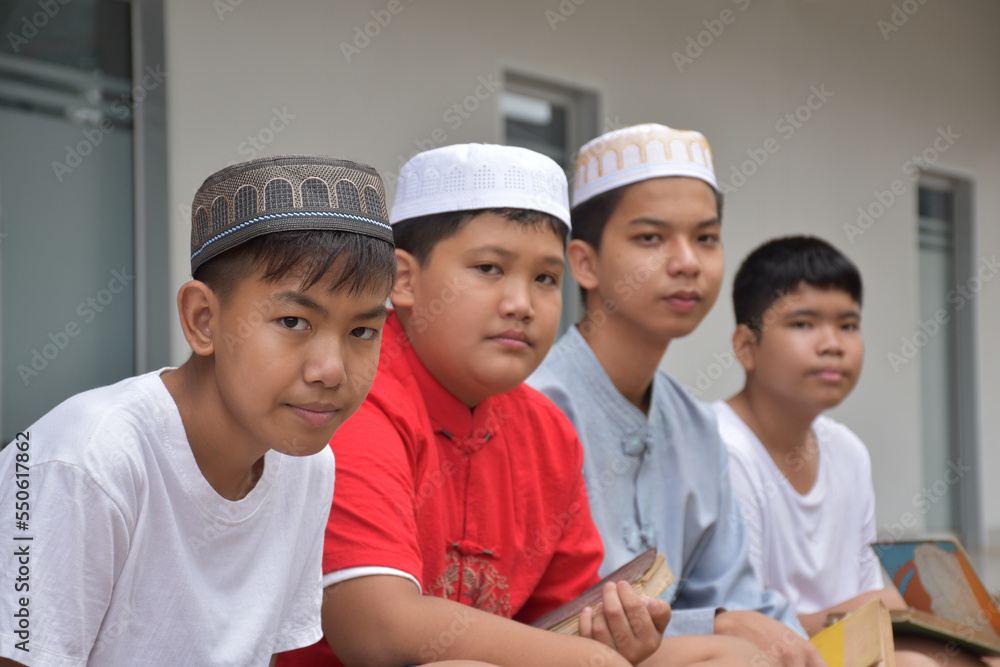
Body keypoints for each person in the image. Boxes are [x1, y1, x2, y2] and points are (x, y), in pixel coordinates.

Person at [279, 143, 760, 667]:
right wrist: (589, 661)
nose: (521, 304)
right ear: (405, 280)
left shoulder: (548, 430)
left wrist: (613, 636)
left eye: (546, 279)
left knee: (733, 656)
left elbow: (565, 618)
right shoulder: (357, 398)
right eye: (489, 268)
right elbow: (378, 629)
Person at [0, 156, 399, 666]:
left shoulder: (307, 464)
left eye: (362, 332)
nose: (331, 370)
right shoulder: (85, 461)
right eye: (294, 321)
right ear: (203, 319)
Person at [528, 124, 824, 667]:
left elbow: (734, 594)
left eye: (705, 238)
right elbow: (547, 612)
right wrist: (717, 625)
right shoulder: (537, 404)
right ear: (584, 262)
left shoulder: (693, 423)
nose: (687, 261)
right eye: (651, 238)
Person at [714, 235, 1000, 666]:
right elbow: (738, 622)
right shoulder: (719, 447)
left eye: (848, 324)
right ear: (745, 346)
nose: (833, 343)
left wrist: (888, 609)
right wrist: (879, 606)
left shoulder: (847, 451)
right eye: (804, 324)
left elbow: (863, 602)